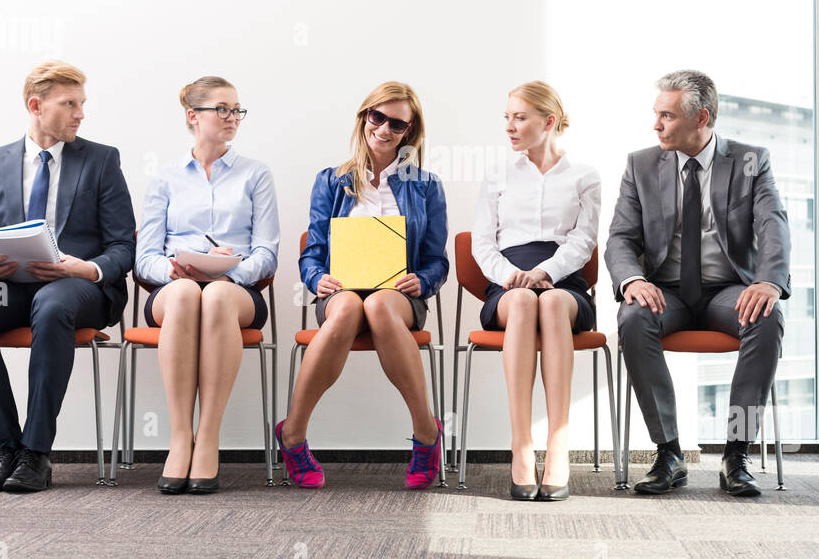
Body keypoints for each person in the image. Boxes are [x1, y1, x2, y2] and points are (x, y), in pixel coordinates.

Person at [0, 61, 136, 493]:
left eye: (82, 103)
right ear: (36, 105)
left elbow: (124, 247)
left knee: (52, 303)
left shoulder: (102, 161)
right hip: (10, 289)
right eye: (69, 104)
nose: (80, 114)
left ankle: (36, 452)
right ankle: (8, 447)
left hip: (80, 287)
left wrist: (87, 268)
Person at [606, 70, 791, 497]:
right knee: (633, 317)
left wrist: (768, 282)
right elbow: (620, 237)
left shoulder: (750, 160)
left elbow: (773, 226)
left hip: (727, 291)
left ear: (701, 118)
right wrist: (632, 279)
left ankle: (736, 454)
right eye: (656, 114)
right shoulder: (641, 164)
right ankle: (668, 453)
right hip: (665, 291)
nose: (656, 125)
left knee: (766, 315)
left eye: (667, 116)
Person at [278, 81, 449, 490]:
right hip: (342, 291)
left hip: (400, 296)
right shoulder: (331, 181)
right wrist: (317, 278)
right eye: (378, 117)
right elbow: (313, 250)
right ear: (364, 117)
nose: (385, 129)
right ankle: (293, 435)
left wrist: (421, 279)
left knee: (378, 306)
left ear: (409, 132)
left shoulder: (425, 186)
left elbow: (438, 261)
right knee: (352, 307)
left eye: (397, 124)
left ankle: (426, 434)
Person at [135, 76, 279, 494]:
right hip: (175, 290)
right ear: (193, 116)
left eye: (237, 109)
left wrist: (228, 271)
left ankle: (208, 434)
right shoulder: (164, 179)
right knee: (184, 294)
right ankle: (181, 436)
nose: (233, 117)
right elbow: (144, 259)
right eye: (223, 109)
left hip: (235, 291)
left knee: (214, 295)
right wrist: (175, 270)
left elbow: (267, 252)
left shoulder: (256, 175)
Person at [471, 82, 600, 502]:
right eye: (506, 117)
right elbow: (482, 244)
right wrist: (513, 276)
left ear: (548, 122)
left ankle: (558, 444)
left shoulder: (585, 176)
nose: (509, 126)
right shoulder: (497, 176)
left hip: (566, 283)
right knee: (527, 301)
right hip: (508, 285)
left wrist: (546, 271)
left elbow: (583, 241)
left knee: (552, 302)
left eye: (519, 117)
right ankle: (522, 442)